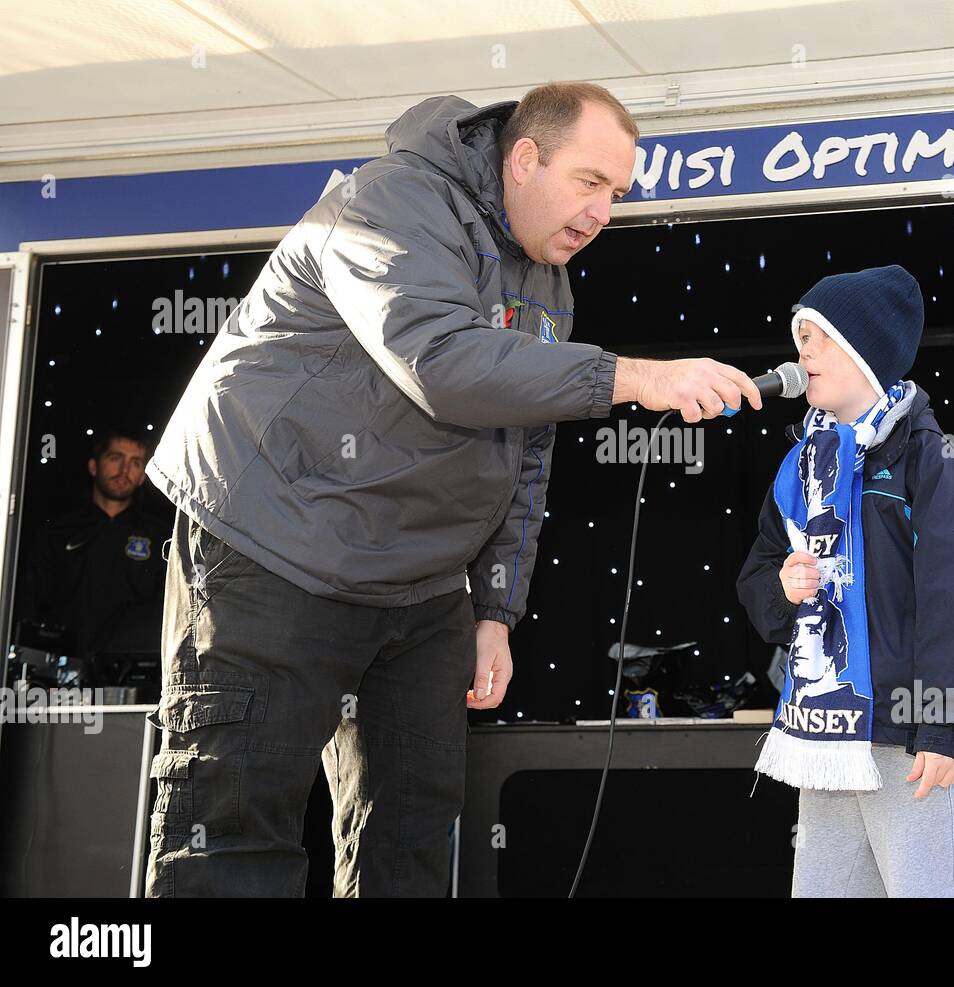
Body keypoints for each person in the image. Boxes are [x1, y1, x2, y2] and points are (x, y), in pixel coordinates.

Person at [143, 81, 761, 897]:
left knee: (410, 832)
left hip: (420, 584)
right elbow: (442, 361)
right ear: (526, 157)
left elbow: (524, 448)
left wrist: (494, 610)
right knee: (234, 830)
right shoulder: (389, 201)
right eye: (590, 182)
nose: (603, 211)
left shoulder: (548, 280)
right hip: (276, 545)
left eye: (616, 194)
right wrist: (636, 376)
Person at [735, 264, 954, 897]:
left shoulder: (927, 462)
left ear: (866, 349)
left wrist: (947, 726)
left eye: (819, 336)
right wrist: (785, 587)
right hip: (825, 742)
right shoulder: (799, 471)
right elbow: (757, 576)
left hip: (909, 740)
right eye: (798, 337)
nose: (801, 351)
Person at [15, 428, 169, 669]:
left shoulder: (160, 538)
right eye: (115, 458)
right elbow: (30, 605)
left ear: (142, 476)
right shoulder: (58, 532)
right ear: (94, 466)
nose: (124, 470)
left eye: (136, 462)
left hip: (131, 674)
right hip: (60, 671)